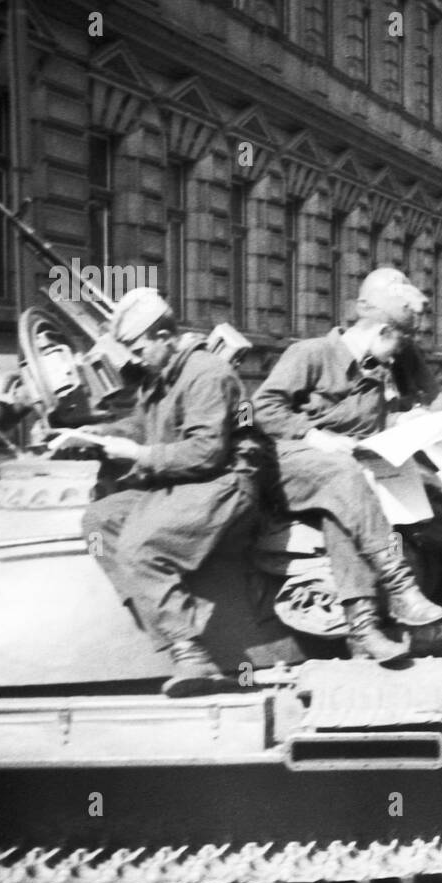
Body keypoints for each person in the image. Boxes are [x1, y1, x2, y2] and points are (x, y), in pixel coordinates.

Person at [251, 268, 442, 662]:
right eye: (397, 347)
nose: (397, 358)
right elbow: (258, 408)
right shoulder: (310, 353)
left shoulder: (376, 375)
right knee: (344, 476)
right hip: (287, 468)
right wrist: (312, 435)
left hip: (337, 479)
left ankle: (363, 631)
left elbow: (367, 427)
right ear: (380, 333)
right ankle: (400, 587)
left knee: (342, 513)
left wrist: (400, 423)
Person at [79, 289, 260, 698]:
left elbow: (207, 451)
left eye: (139, 348)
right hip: (185, 481)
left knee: (140, 547)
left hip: (226, 484)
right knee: (98, 520)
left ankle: (193, 654)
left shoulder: (207, 374)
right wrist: (95, 435)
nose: (136, 358)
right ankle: (173, 634)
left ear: (164, 335)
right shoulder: (161, 376)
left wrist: (141, 455)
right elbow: (145, 428)